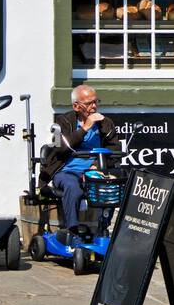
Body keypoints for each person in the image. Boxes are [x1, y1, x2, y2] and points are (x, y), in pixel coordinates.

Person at [38, 84, 120, 234]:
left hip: (95, 171)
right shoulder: (60, 122)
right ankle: (73, 229)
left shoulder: (105, 123)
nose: (94, 107)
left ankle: (102, 228)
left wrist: (97, 165)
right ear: (76, 106)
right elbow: (59, 148)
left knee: (112, 187)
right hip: (66, 171)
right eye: (89, 103)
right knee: (72, 188)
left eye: (96, 102)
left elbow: (114, 149)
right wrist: (84, 129)